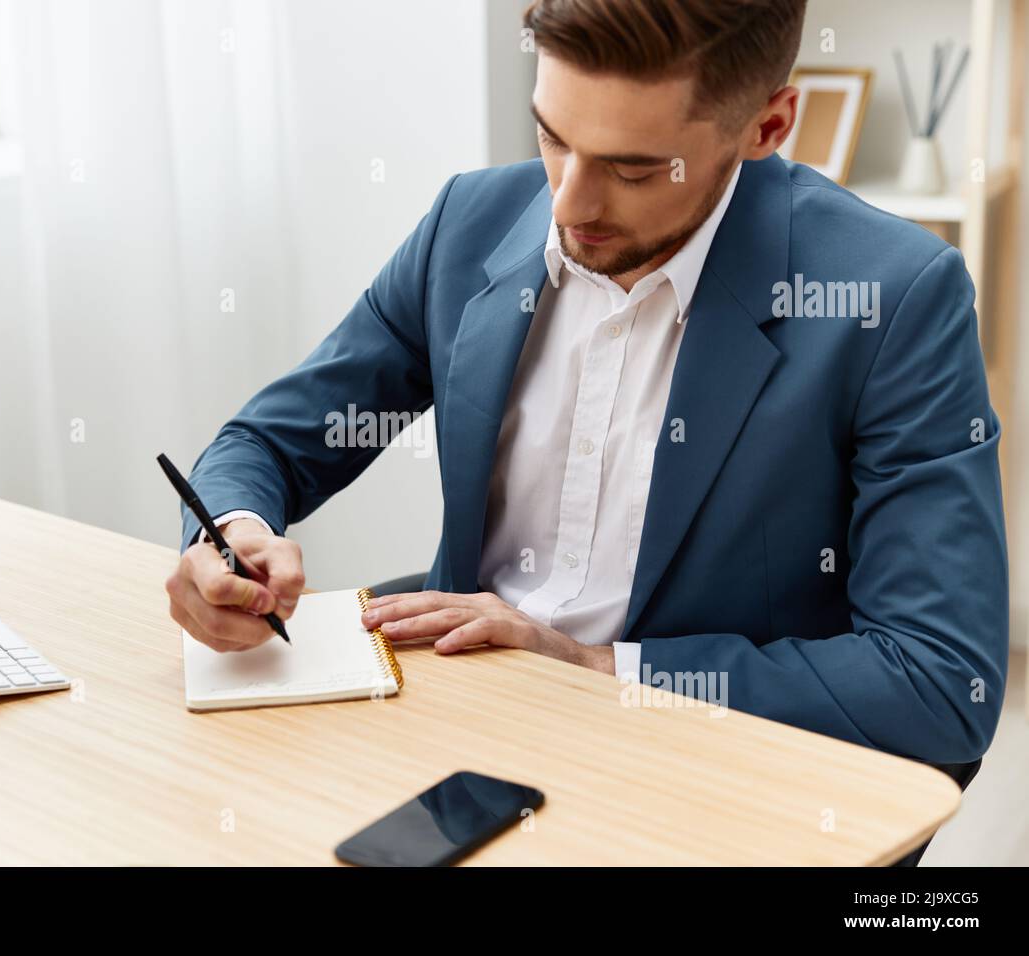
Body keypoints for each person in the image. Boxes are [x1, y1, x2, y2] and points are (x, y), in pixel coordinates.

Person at [166, 0, 1007, 764]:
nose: (567, 205)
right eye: (552, 136)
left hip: (698, 764)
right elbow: (270, 442)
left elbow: (937, 681)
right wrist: (227, 536)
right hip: (462, 721)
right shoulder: (471, 222)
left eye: (634, 169)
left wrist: (595, 666)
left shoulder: (893, 298)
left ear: (768, 126)